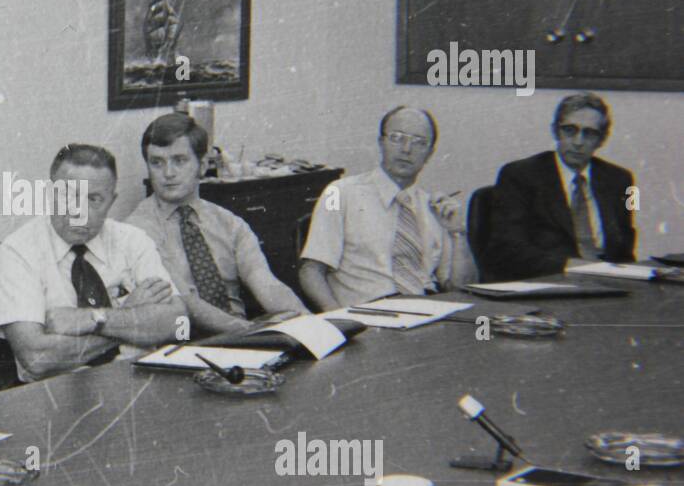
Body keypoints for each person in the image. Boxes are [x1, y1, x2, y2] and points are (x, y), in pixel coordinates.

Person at [0, 143, 186, 382]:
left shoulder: (132, 240)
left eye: (94, 199)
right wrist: (130, 315)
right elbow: (37, 359)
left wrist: (91, 319)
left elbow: (179, 324)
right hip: (61, 391)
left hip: (141, 380)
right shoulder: (18, 252)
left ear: (111, 201)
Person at [126, 113, 306, 337]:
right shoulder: (137, 230)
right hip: (184, 342)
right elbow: (187, 302)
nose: (168, 173)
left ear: (202, 165)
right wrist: (249, 332)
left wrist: (308, 323)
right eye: (157, 163)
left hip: (241, 335)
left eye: (179, 160)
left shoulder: (229, 223)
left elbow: (266, 284)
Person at [299, 107, 474, 310]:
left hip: (425, 311)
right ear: (381, 143)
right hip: (366, 313)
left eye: (419, 142)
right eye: (397, 138)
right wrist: (338, 318)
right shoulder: (339, 193)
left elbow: (461, 288)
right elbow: (311, 271)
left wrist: (458, 233)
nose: (406, 149)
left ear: (429, 154)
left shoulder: (433, 206)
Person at [486, 92, 636, 280]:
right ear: (555, 131)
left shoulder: (622, 180)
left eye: (590, 133)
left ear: (602, 140)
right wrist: (572, 266)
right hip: (552, 280)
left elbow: (625, 246)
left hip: (608, 281)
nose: (578, 142)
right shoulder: (519, 175)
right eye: (570, 130)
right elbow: (507, 248)